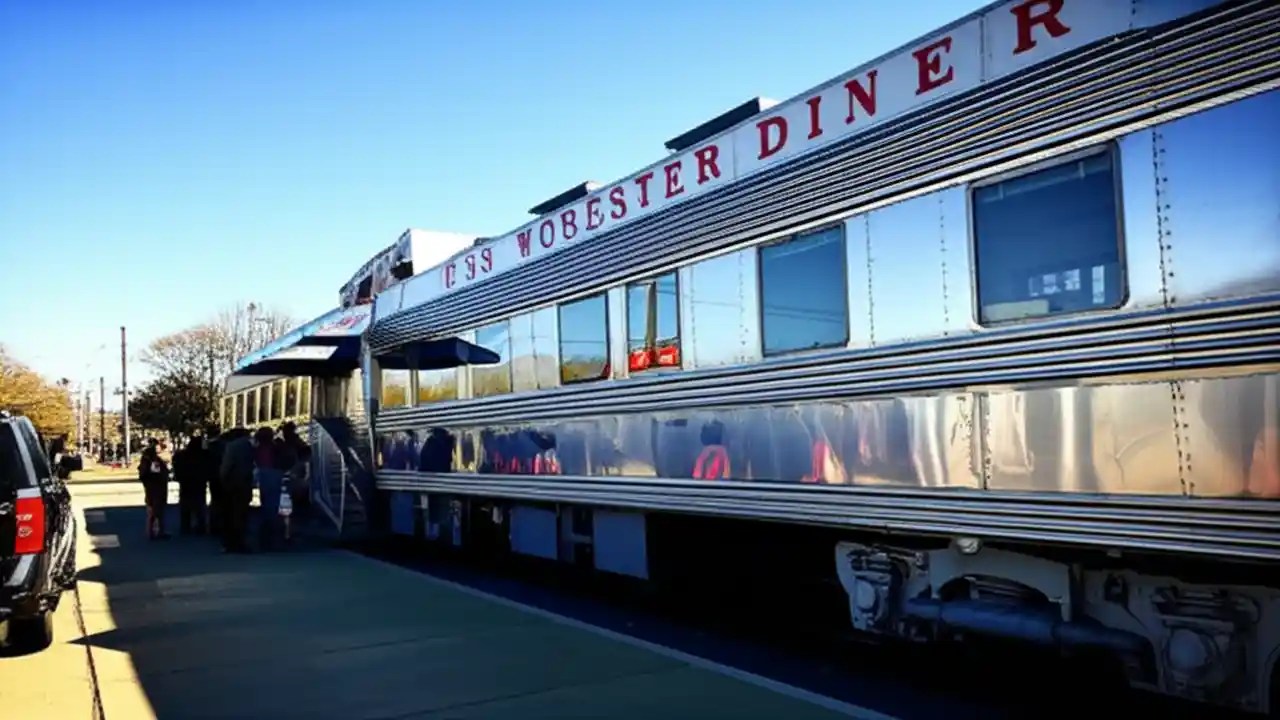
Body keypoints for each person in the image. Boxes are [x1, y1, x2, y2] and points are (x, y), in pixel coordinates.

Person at [218, 428, 254, 553]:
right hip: (245, 482)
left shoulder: (232, 447)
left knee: (231, 514)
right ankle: (241, 541)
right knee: (242, 513)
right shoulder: (249, 445)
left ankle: (231, 542)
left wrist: (222, 478)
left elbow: (226, 465)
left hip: (233, 483)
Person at [252, 427, 286, 551]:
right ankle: (273, 538)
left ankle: (264, 538)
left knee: (263, 507)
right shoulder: (276, 447)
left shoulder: (257, 449)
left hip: (262, 475)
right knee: (273, 507)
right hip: (274, 475)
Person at [173, 435, 213, 535]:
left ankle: (185, 526)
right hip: (199, 482)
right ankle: (200, 526)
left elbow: (177, 466)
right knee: (199, 505)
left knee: (185, 505)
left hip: (186, 482)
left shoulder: (181, 455)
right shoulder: (203, 455)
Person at [138, 440, 171, 540]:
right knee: (156, 509)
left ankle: (153, 531)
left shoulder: (146, 460)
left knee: (153, 508)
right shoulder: (153, 461)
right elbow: (157, 474)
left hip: (151, 487)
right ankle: (156, 531)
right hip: (156, 488)